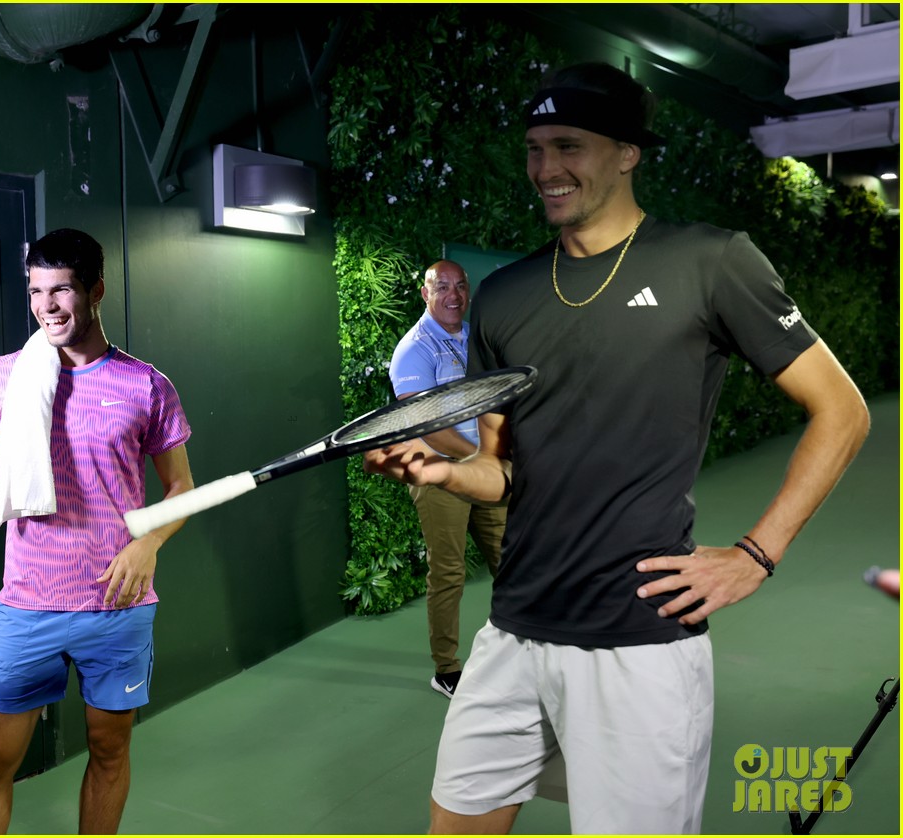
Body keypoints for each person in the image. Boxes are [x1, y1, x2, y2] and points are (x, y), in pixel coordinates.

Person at [364, 62, 869, 834]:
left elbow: (842, 410)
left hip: (639, 643)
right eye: (534, 148)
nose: (546, 168)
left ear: (629, 151)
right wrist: (443, 469)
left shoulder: (711, 261)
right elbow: (503, 470)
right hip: (513, 631)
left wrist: (757, 554)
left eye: (569, 145)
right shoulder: (505, 296)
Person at [0, 228, 194, 834]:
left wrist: (148, 541)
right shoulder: (4, 378)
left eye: (62, 290)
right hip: (28, 605)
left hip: (117, 605)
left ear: (96, 291)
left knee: (108, 754)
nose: (46, 306)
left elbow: (182, 488)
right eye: (35, 291)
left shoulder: (146, 384)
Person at [389, 260, 506, 698]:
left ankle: (521, 651)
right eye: (442, 287)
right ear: (425, 293)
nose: (453, 295)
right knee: (449, 572)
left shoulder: (477, 336)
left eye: (460, 286)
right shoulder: (414, 349)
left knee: (512, 562)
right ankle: (446, 668)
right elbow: (426, 425)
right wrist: (480, 455)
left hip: (483, 470)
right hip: (440, 474)